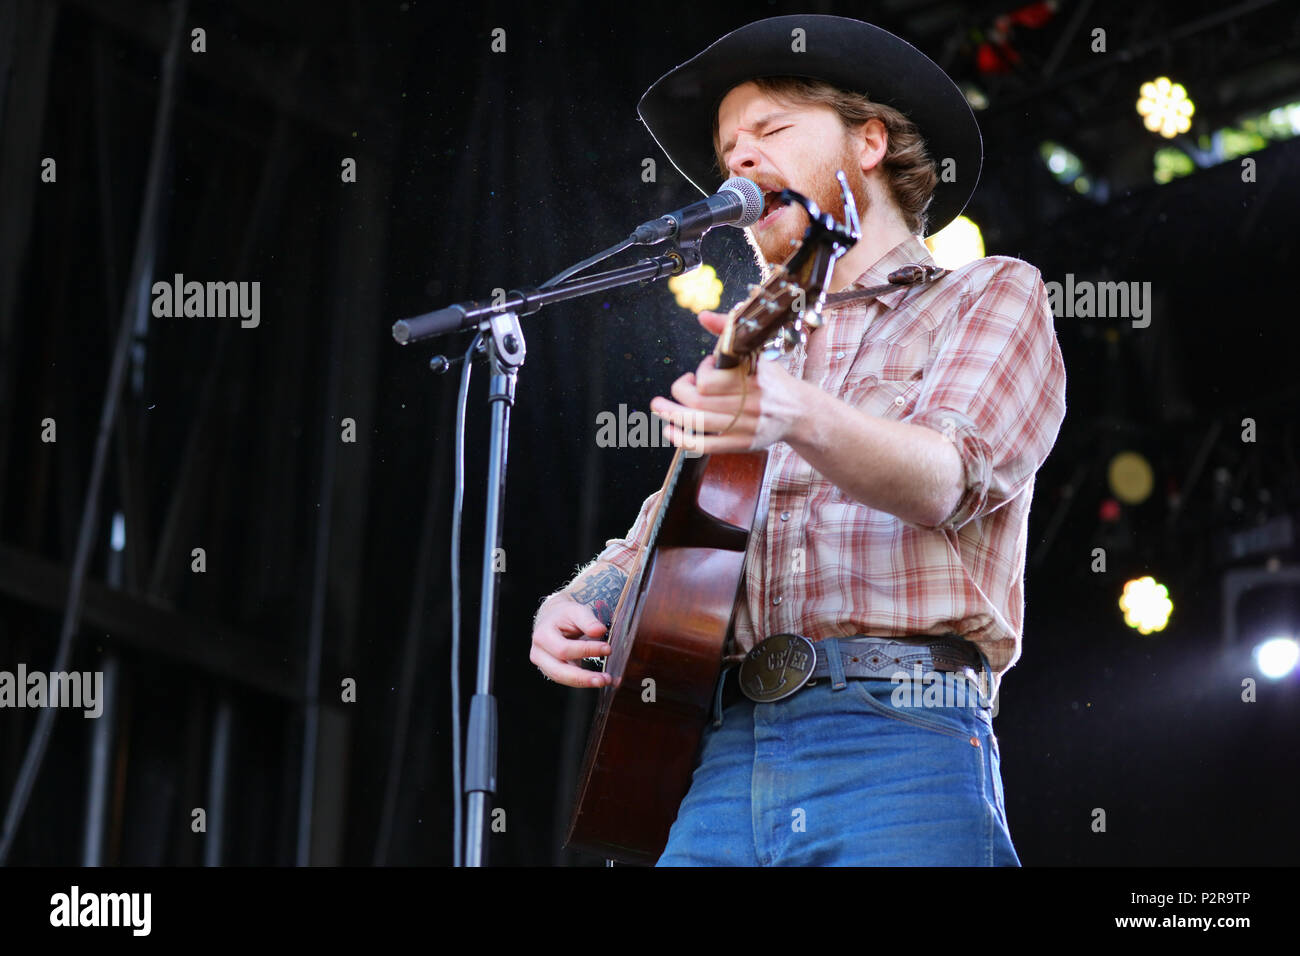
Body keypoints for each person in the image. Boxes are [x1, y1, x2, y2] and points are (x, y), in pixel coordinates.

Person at [530, 15, 1066, 866]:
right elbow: (669, 533)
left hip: (902, 734)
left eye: (769, 129)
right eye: (727, 150)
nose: (738, 159)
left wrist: (798, 416)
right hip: (724, 753)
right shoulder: (756, 341)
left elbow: (945, 476)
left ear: (871, 141)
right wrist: (579, 602)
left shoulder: (991, 294)